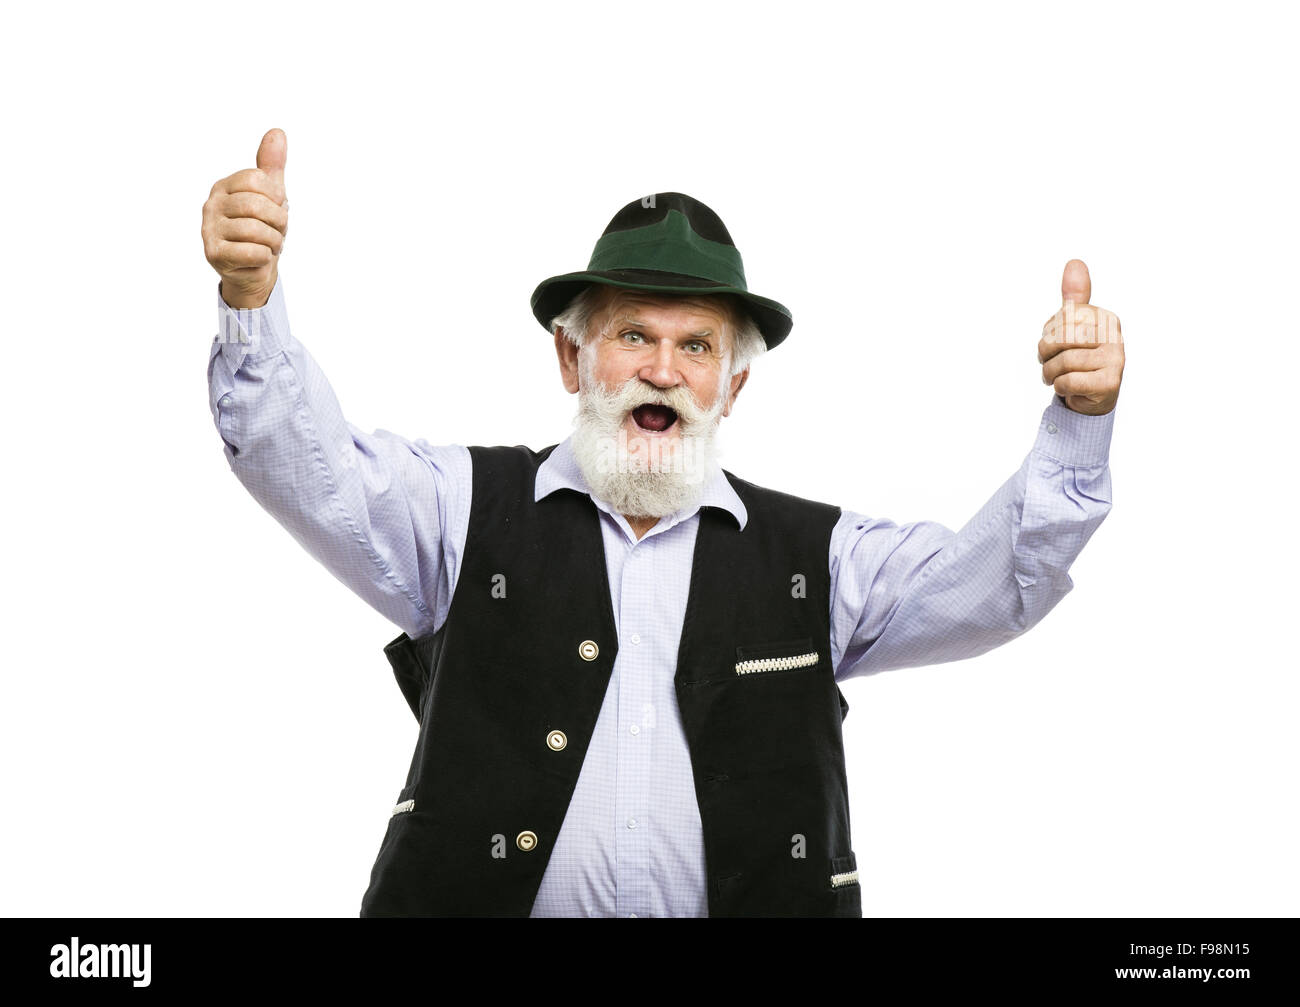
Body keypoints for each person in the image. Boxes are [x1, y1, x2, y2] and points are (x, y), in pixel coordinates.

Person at [203, 128, 1125, 918]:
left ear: (734, 384)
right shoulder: (458, 513)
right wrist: (252, 300)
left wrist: (1078, 427)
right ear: (572, 359)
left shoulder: (819, 560)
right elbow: (302, 463)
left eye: (696, 346)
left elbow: (997, 581)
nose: (663, 370)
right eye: (633, 335)